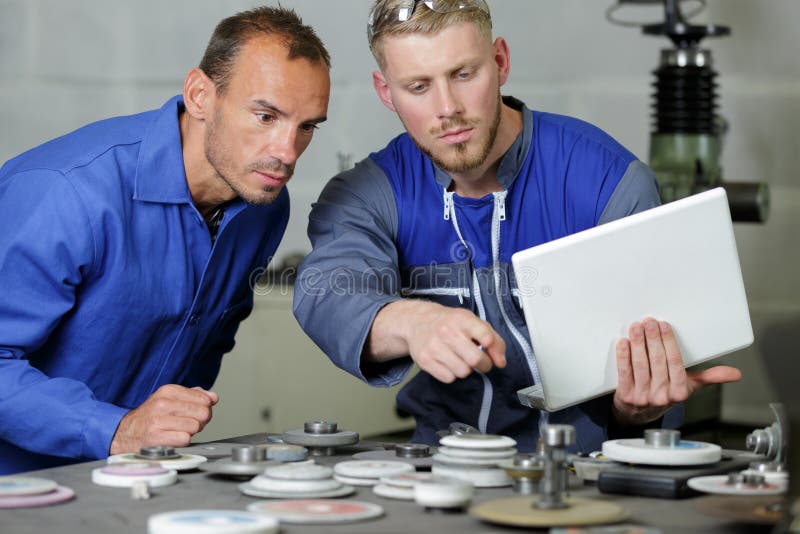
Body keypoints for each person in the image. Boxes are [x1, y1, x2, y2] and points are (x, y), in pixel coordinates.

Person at [293, 0, 740, 452]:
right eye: (418, 86)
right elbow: (326, 289)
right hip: (440, 468)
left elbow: (646, 382)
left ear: (500, 61)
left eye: (464, 74)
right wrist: (411, 321)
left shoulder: (608, 182)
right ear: (386, 93)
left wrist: (637, 408)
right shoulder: (371, 192)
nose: (447, 108)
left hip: (586, 470)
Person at [0, 6, 331, 474]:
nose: (286, 152)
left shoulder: (263, 207)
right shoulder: (66, 193)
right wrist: (117, 430)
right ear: (199, 95)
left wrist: (147, 437)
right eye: (264, 116)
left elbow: (207, 341)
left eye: (307, 126)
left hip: (129, 480)